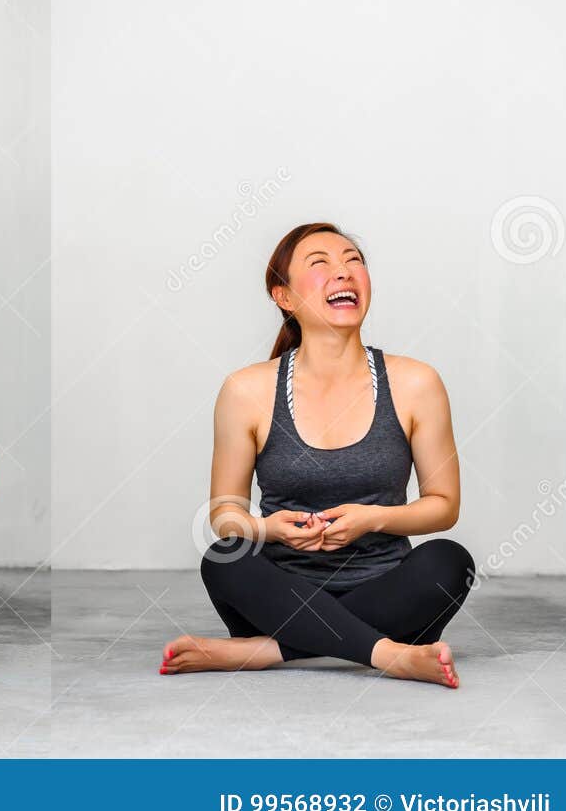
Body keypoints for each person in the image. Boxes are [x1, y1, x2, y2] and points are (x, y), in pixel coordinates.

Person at [163, 222, 472, 688]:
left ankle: (264, 652)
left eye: (353, 261)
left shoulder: (416, 383)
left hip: (387, 590)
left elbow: (444, 506)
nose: (343, 273)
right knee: (224, 556)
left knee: (452, 562)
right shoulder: (246, 390)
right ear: (283, 296)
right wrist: (267, 529)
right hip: (277, 596)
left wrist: (372, 519)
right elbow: (225, 513)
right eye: (320, 264)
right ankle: (390, 653)